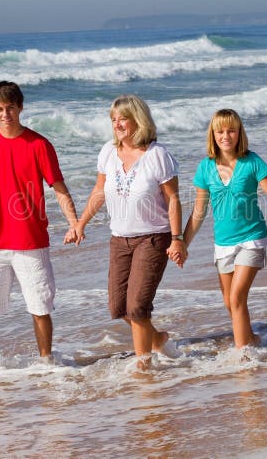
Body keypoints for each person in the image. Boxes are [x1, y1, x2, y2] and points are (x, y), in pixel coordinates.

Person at [67, 94, 186, 371]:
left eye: (123, 118)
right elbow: (99, 191)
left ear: (138, 120)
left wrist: (178, 239)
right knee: (119, 307)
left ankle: (144, 365)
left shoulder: (158, 155)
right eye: (114, 119)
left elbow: (173, 200)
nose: (118, 124)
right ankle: (158, 338)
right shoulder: (108, 152)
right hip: (119, 239)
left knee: (137, 308)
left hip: (153, 237)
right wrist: (80, 223)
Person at [0, 81, 79, 367]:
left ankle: (47, 363)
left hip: (31, 241)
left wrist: (73, 223)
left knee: (40, 307)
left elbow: (58, 186)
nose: (6, 114)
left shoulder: (39, 145)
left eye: (11, 108)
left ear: (21, 107)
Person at [182, 109, 267, 350]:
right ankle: (251, 340)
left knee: (237, 297)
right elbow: (199, 212)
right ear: (213, 134)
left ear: (239, 133)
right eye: (220, 131)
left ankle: (244, 356)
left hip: (252, 238)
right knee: (229, 302)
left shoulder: (252, 162)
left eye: (231, 130)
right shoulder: (205, 167)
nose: (226, 136)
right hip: (223, 243)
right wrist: (182, 243)